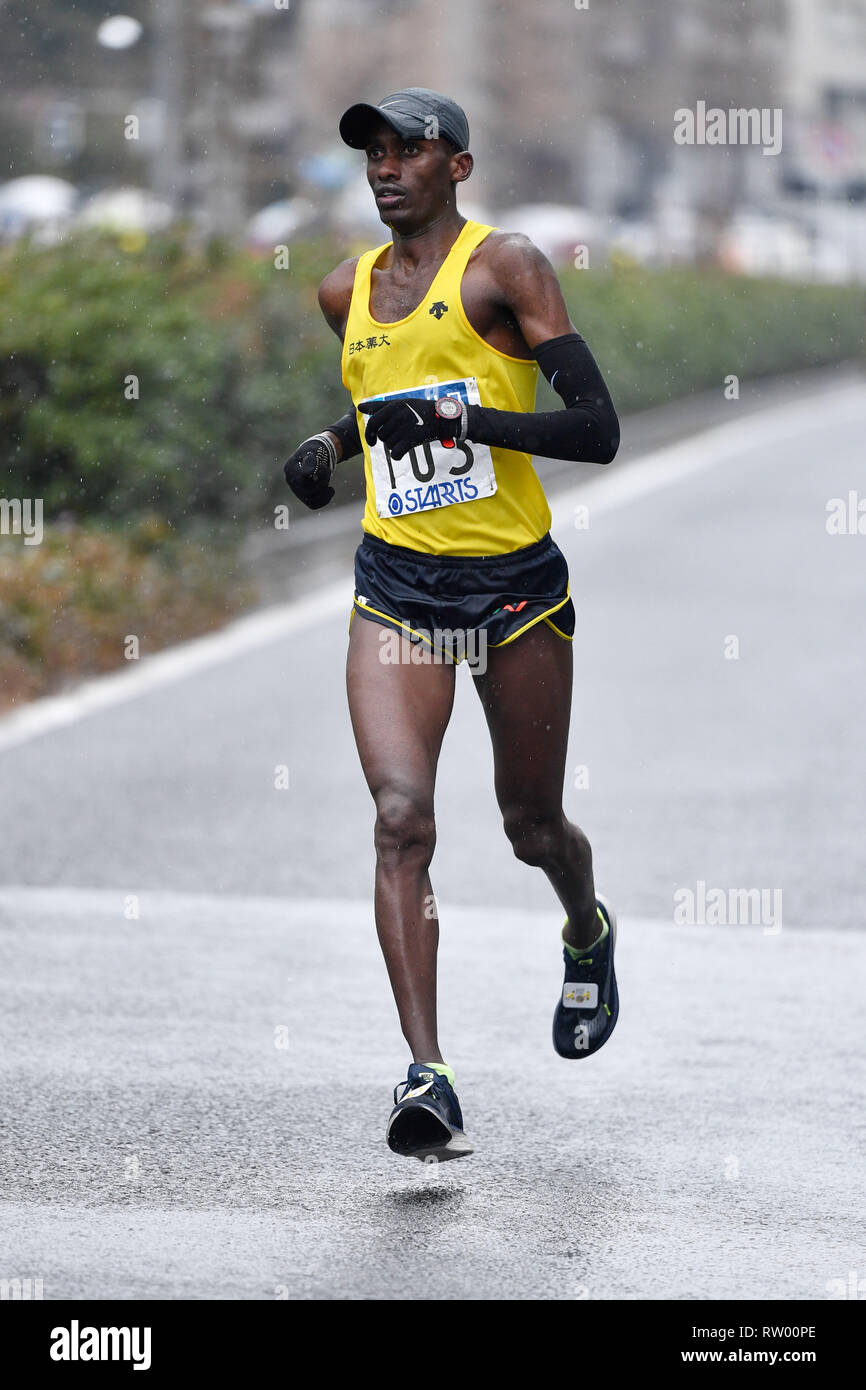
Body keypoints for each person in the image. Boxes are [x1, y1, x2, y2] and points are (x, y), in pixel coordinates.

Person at [284, 89, 621, 1163]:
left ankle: (584, 925)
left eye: (408, 151)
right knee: (399, 818)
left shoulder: (506, 268)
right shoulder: (345, 291)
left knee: (530, 827)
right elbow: (391, 397)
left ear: (457, 167)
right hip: (398, 589)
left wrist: (470, 418)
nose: (386, 168)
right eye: (372, 154)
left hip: (516, 588)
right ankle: (426, 1074)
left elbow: (595, 429)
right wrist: (330, 447)